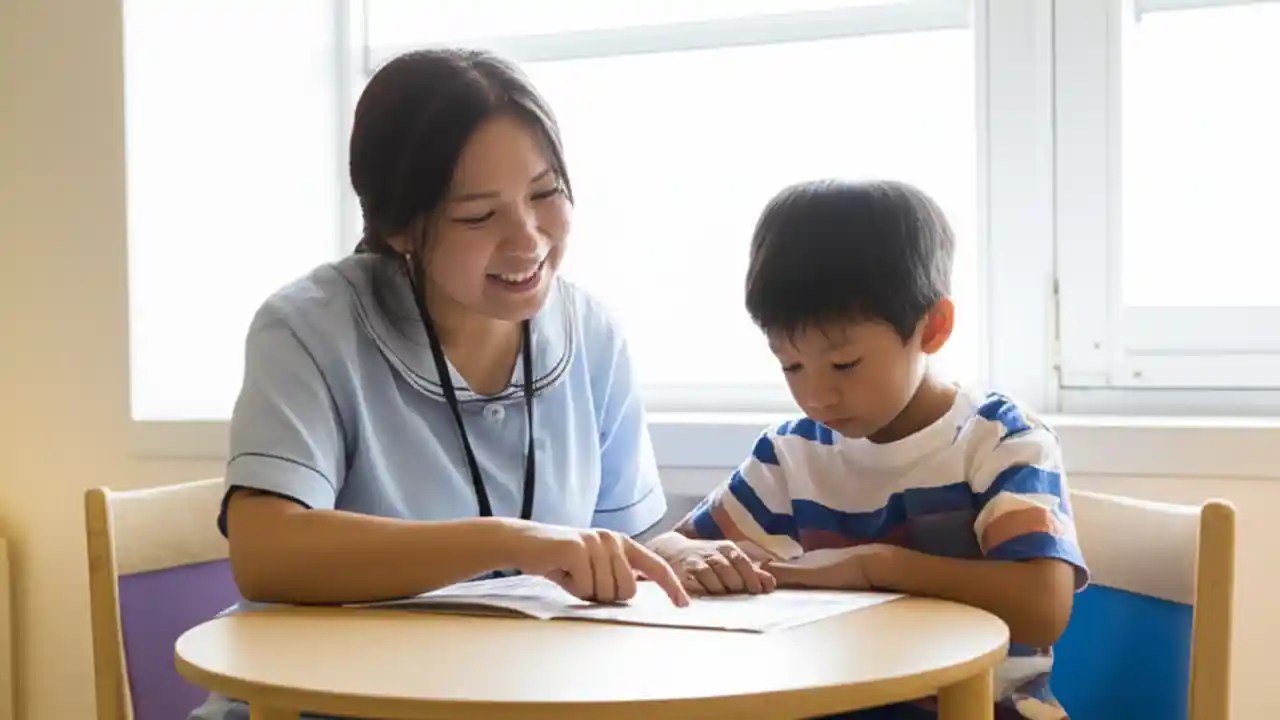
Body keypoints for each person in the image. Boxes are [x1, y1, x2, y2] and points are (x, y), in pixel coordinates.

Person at [191, 48, 767, 720]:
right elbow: (267, 554)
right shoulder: (308, 328)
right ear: (399, 226)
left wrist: (678, 554)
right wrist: (506, 540)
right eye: (476, 216)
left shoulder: (592, 334)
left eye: (545, 194)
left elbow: (619, 538)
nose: (527, 240)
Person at [653, 180, 1089, 719]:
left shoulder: (998, 440)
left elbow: (1043, 607)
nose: (816, 396)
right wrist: (686, 554)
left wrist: (874, 566)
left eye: (844, 364)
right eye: (791, 365)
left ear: (933, 328)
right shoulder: (792, 453)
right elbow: (664, 547)